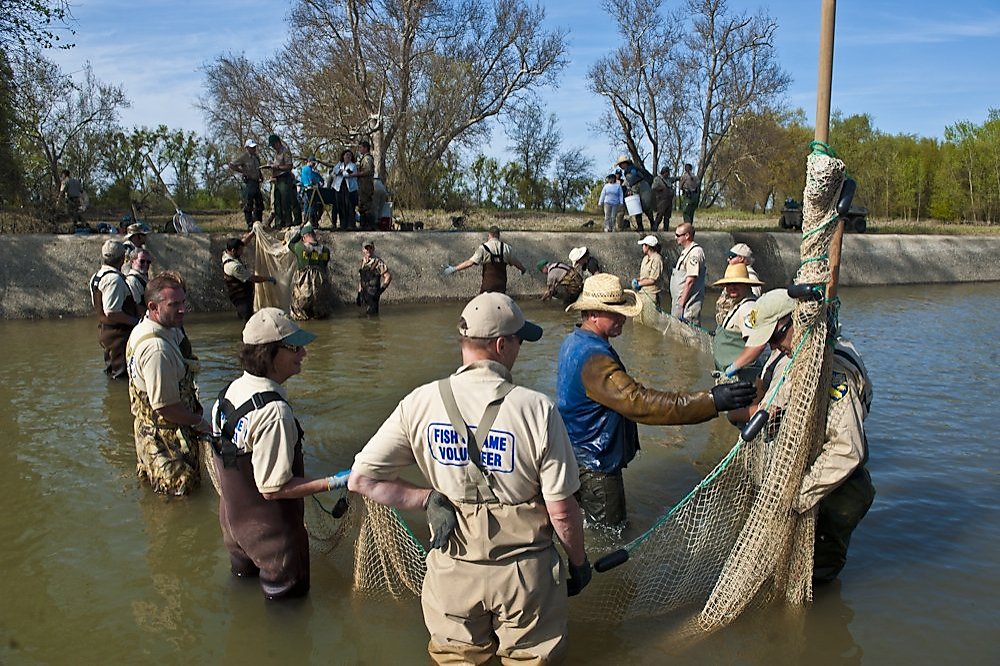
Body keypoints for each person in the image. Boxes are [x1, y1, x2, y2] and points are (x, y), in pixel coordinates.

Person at [348, 292, 590, 664]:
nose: (520, 349)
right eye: (519, 341)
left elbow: (363, 479)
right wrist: (578, 563)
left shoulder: (420, 402)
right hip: (524, 576)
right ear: (501, 344)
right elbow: (561, 510)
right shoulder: (537, 409)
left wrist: (427, 498)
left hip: (452, 569)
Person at [557, 274, 755, 528]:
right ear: (592, 314)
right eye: (614, 313)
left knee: (589, 525)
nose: (623, 318)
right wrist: (711, 401)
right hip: (596, 466)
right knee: (612, 533)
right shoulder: (594, 358)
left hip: (577, 454)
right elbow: (640, 403)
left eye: (622, 310)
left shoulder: (574, 341)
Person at [210, 307, 350, 599]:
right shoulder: (274, 413)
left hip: (233, 526)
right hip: (273, 540)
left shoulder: (229, 392)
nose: (304, 354)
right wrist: (336, 481)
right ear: (269, 353)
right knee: (289, 619)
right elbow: (274, 489)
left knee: (241, 595)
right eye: (294, 347)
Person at [738, 289, 875, 584]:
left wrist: (797, 497)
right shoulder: (799, 355)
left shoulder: (832, 369)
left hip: (834, 492)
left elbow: (847, 448)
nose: (775, 346)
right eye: (769, 342)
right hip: (808, 480)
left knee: (815, 580)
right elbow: (783, 394)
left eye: (777, 337)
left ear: (798, 320)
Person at [126, 272, 210, 495]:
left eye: (183, 302)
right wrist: (199, 422)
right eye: (174, 304)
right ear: (153, 307)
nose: (183, 309)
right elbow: (165, 407)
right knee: (181, 500)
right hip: (168, 445)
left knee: (157, 496)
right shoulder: (157, 350)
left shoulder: (147, 328)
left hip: (147, 434)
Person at [90, 239, 140, 379]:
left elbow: (99, 306)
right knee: (121, 376)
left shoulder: (96, 277)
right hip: (118, 336)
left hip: (106, 332)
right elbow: (112, 312)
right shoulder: (114, 280)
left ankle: (112, 398)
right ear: (122, 259)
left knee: (113, 373)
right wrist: (136, 322)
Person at [710, 263, 764, 383]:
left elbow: (757, 344)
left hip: (741, 377)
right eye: (729, 284)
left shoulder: (748, 308)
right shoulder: (737, 304)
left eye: (737, 284)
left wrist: (734, 367)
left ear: (746, 284)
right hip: (730, 377)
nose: (732, 287)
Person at [443, 226, 526, 294]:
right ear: (498, 235)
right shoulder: (507, 248)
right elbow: (516, 263)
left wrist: (454, 269)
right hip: (501, 287)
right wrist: (523, 269)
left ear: (489, 235)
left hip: (488, 287)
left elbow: (470, 262)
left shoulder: (483, 248)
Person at [222, 232, 277, 323]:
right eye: (240, 250)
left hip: (244, 294)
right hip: (240, 297)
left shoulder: (226, 253)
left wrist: (253, 232)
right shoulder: (233, 267)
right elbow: (252, 278)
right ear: (233, 250)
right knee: (248, 321)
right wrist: (268, 279)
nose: (242, 251)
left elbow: (243, 242)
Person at [287, 223, 333, 320]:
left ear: (304, 237)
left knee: (300, 311)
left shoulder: (300, 247)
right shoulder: (325, 250)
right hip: (320, 282)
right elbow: (325, 263)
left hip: (305, 284)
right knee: (320, 311)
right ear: (314, 235)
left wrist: (298, 233)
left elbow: (290, 244)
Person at [669, 223, 706, 326]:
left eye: (677, 235)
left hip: (688, 307)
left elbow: (690, 281)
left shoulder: (695, 253)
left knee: (690, 337)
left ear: (687, 236)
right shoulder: (685, 252)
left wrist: (680, 305)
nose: (675, 237)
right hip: (679, 304)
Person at [229, 139, 264, 230]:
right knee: (249, 203)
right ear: (247, 148)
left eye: (254, 147)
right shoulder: (244, 157)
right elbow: (232, 165)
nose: (254, 149)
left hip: (256, 182)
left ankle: (258, 222)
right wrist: (243, 171)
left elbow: (258, 169)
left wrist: (261, 176)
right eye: (252, 147)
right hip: (249, 182)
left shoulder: (257, 157)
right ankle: (249, 223)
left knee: (259, 203)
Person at [616, 154, 656, 232]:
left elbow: (633, 175)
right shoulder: (627, 171)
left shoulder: (631, 168)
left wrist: (630, 186)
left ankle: (651, 224)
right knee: (636, 207)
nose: (621, 166)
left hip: (641, 186)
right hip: (636, 187)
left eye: (621, 164)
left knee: (644, 206)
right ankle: (641, 226)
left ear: (625, 163)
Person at [267, 134, 295, 228]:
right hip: (277, 179)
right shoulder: (276, 154)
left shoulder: (285, 152)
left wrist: (277, 167)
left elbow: (289, 166)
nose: (273, 147)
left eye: (274, 145)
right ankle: (279, 223)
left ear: (278, 142)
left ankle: (288, 222)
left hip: (285, 178)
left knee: (285, 201)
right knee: (277, 201)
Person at [358, 240, 392, 315]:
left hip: (373, 295)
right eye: (366, 248)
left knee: (372, 317)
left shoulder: (378, 262)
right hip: (364, 295)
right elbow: (361, 279)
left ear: (373, 249)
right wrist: (359, 293)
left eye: (370, 248)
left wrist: (381, 291)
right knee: (363, 320)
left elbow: (388, 276)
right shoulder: (362, 262)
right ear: (363, 250)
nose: (368, 250)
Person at [632, 234, 665, 309]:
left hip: (651, 294)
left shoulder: (657, 259)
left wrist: (639, 284)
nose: (642, 247)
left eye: (643, 245)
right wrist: (637, 280)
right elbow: (644, 276)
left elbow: (653, 279)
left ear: (648, 246)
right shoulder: (645, 258)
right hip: (642, 293)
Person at [329, 148, 358, 230]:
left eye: (350, 155)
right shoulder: (339, 164)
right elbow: (334, 170)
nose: (348, 157)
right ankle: (342, 224)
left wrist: (341, 172)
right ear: (343, 156)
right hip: (339, 188)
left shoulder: (353, 165)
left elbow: (348, 174)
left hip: (349, 188)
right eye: (346, 155)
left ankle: (350, 225)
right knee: (340, 206)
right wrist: (340, 171)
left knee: (349, 206)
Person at [125, 249, 154, 318]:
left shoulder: (143, 278)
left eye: (148, 262)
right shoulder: (132, 280)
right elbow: (138, 307)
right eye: (142, 261)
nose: (146, 264)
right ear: (132, 261)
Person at [355, 140, 376, 230]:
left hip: (366, 186)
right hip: (362, 185)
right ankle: (363, 225)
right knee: (362, 205)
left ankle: (369, 225)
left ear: (365, 148)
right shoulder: (363, 158)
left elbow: (368, 171)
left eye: (361, 147)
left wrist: (357, 173)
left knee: (366, 205)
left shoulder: (367, 159)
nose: (359, 149)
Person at [299, 156, 324, 226]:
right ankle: (311, 221)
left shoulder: (307, 170)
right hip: (309, 189)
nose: (314, 165)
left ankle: (308, 221)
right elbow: (311, 179)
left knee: (309, 206)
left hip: (308, 189)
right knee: (311, 206)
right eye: (313, 163)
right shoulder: (307, 169)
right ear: (309, 162)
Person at [651, 166, 677, 231]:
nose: (668, 174)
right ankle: (655, 227)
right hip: (661, 200)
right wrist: (661, 189)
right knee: (660, 215)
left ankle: (666, 229)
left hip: (669, 200)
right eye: (667, 172)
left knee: (667, 216)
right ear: (664, 172)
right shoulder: (658, 179)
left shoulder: (669, 179)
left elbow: (675, 179)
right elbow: (653, 187)